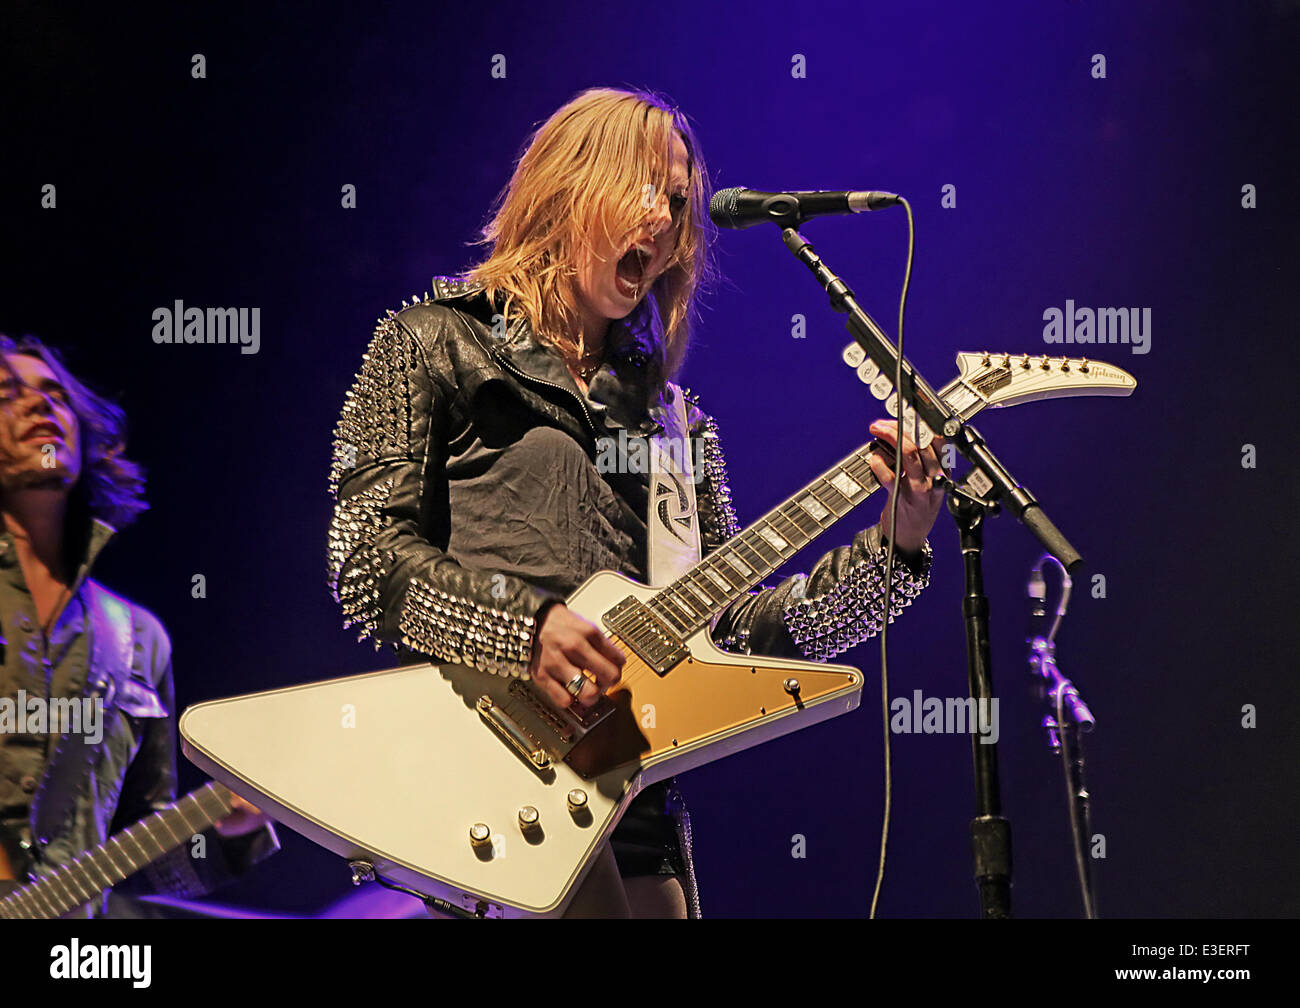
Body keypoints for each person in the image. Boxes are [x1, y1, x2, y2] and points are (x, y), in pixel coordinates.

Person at [327, 86, 945, 918]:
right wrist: (527, 628)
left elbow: (730, 631)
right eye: (645, 185)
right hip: (486, 773)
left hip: (634, 804)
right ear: (570, 184)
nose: (665, 218)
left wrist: (897, 546)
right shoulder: (437, 342)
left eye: (680, 200)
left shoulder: (676, 424)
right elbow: (366, 558)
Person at [0, 334, 277, 918]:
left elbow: (142, 863)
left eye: (55, 394)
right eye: (7, 393)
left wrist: (230, 828)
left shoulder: (136, 639)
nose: (40, 405)